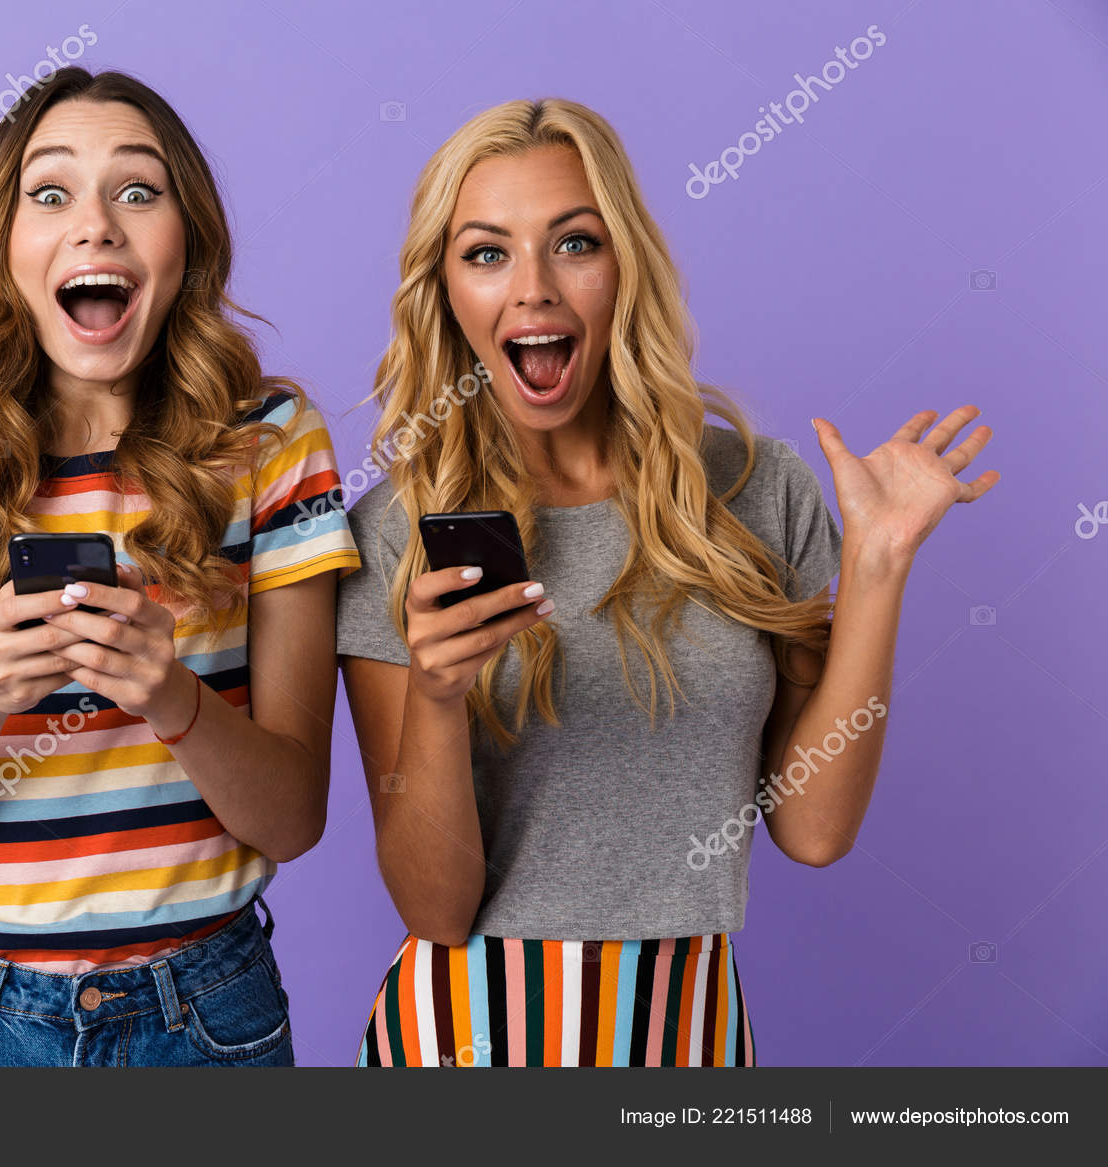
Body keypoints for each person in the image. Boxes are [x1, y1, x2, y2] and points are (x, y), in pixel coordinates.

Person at [336, 98, 998, 1066]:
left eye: (573, 243)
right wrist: (437, 698)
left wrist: (877, 566)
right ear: (444, 291)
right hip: (467, 1032)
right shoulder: (396, 532)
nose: (531, 290)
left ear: (625, 266)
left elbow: (814, 830)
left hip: (690, 1025)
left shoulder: (753, 490)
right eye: (486, 253)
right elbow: (433, 907)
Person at [0, 68, 360, 1066]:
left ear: (184, 242)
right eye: (50, 192)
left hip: (206, 1017)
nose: (96, 225)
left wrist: (171, 695)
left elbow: (291, 821)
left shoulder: (270, 448)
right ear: (2, 247)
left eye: (138, 191)